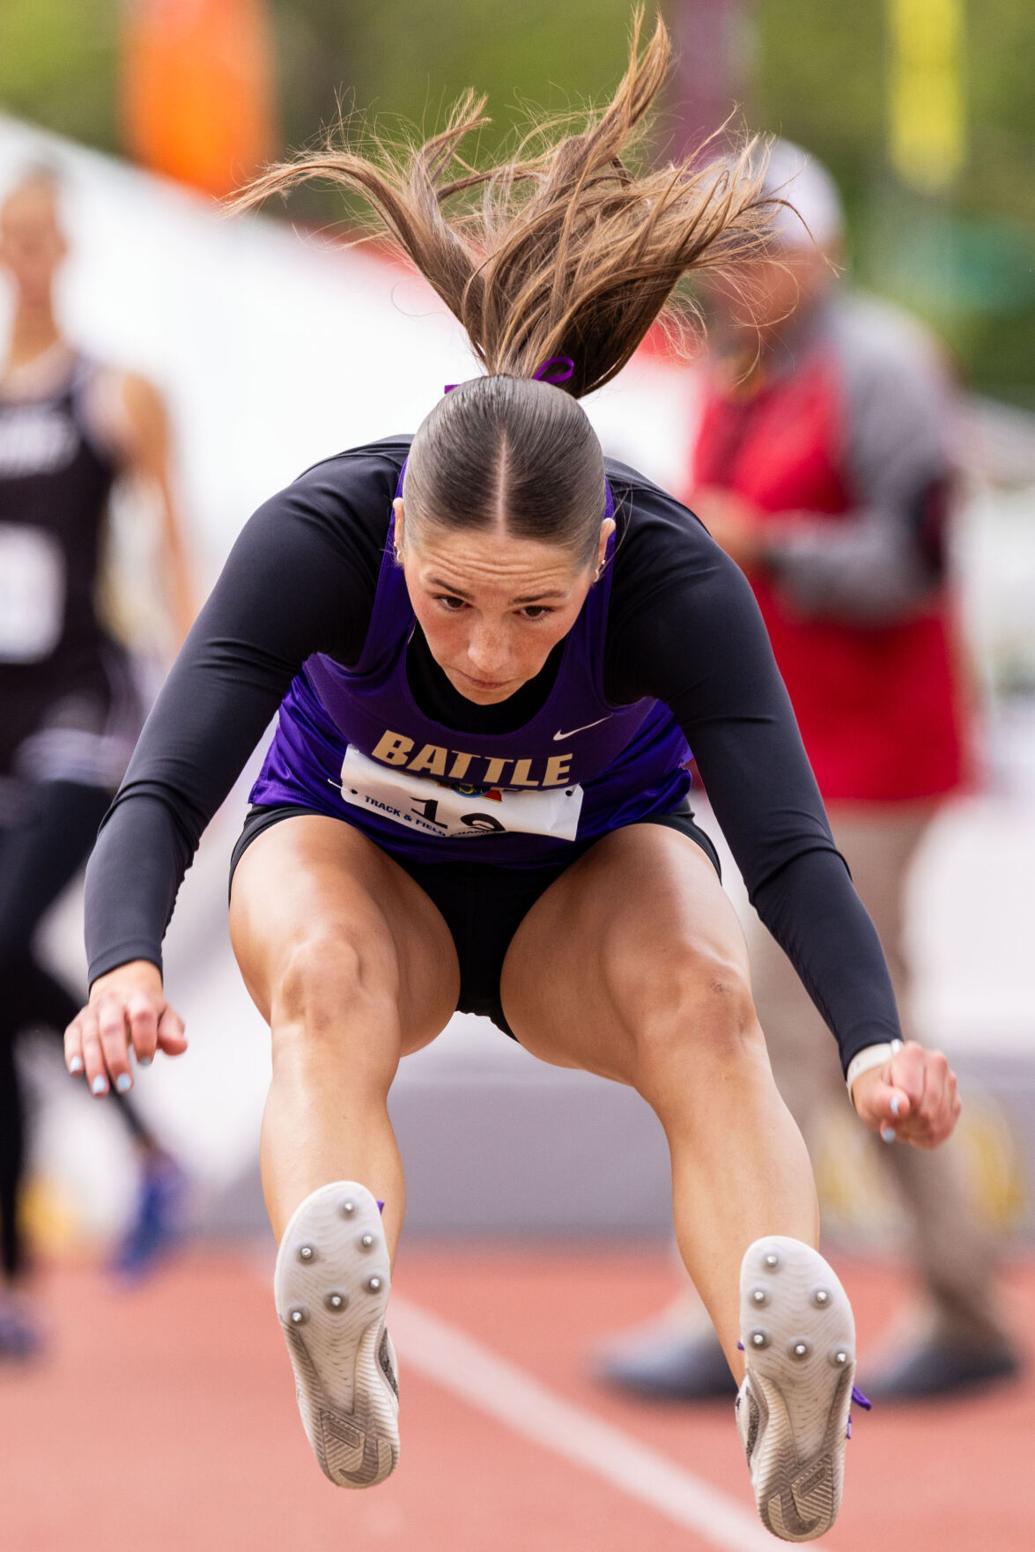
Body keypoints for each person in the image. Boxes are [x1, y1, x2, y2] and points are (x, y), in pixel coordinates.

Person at [65, 22, 959, 1540]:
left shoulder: (674, 575)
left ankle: (780, 1374)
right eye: (450, 599)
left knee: (709, 1002)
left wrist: (874, 1039)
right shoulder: (314, 536)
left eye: (537, 610)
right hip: (358, 865)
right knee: (325, 978)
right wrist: (123, 958)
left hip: (582, 889)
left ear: (598, 555)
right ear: (397, 536)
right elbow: (162, 792)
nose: (488, 651)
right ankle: (346, 1338)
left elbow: (788, 848)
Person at [596, 140, 1019, 1408]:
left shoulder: (878, 369)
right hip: (787, 751)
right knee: (867, 1027)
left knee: (774, 1018)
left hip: (876, 755)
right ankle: (959, 1296)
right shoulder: (739, 374)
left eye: (759, 249)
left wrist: (773, 546)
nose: (736, 274)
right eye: (726, 252)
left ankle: (740, 1305)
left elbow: (921, 560)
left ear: (816, 253)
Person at [0, 168, 194, 1357]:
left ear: (64, 250)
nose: (26, 256)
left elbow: (174, 539)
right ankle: (16, 1279)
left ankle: (139, 1142)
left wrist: (209, 691)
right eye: (10, 237)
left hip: (85, 706)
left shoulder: (113, 392)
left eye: (42, 237)